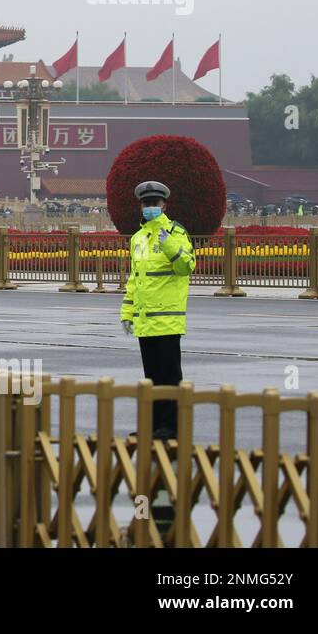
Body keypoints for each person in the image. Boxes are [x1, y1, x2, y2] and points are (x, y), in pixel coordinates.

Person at [121, 180, 195, 440]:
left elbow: (186, 267)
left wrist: (169, 246)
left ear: (164, 205)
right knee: (151, 379)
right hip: (144, 320)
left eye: (155, 203)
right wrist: (127, 313)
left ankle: (172, 426)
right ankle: (152, 426)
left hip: (167, 319)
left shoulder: (176, 233)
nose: (150, 207)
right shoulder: (137, 238)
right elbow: (135, 279)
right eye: (146, 204)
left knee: (169, 377)